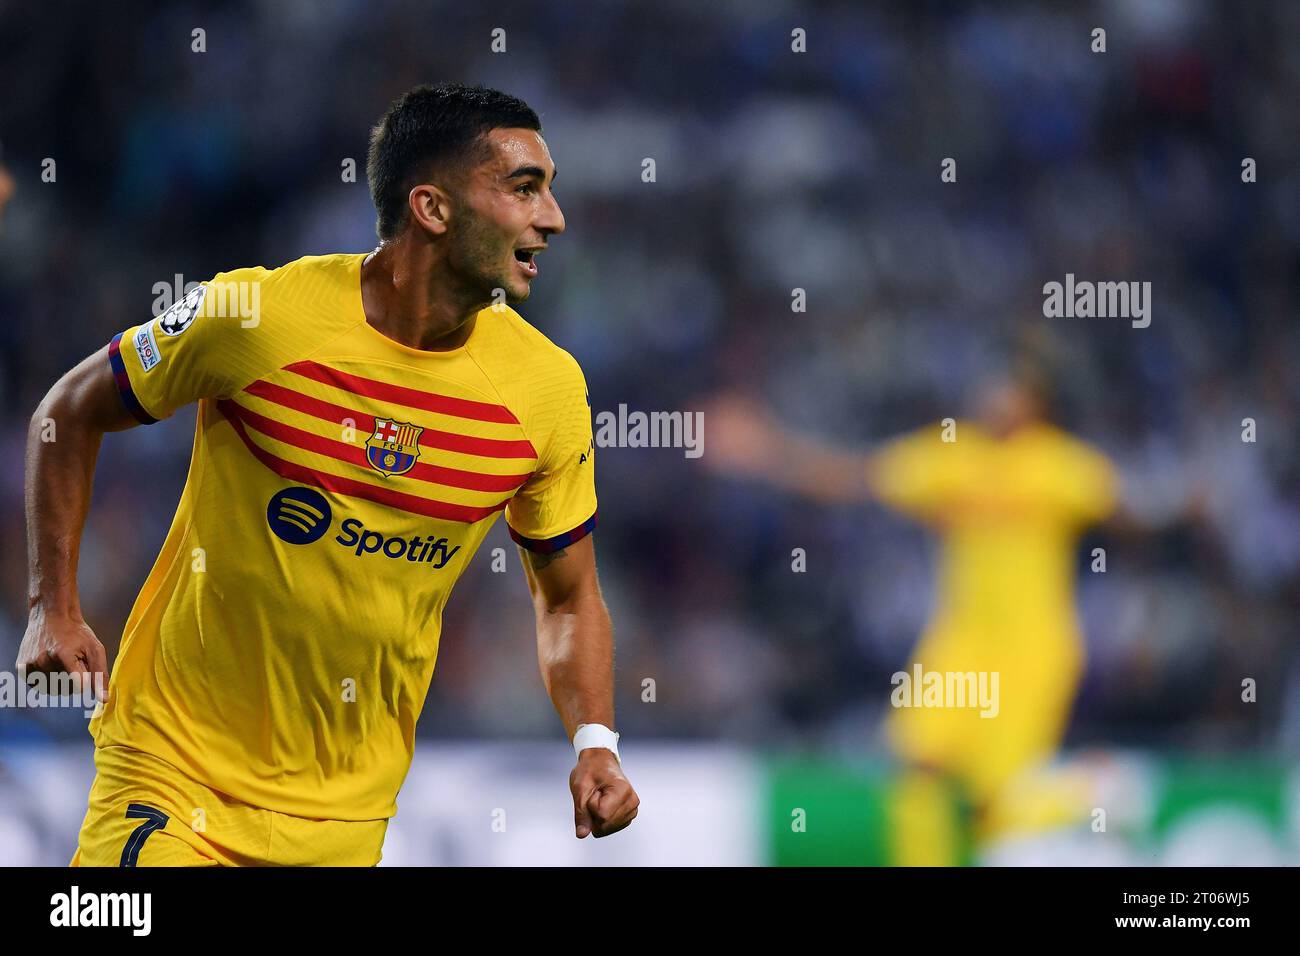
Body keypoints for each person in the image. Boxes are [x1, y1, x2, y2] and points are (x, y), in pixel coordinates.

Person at [18, 83, 638, 866]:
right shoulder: (256, 316)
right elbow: (66, 411)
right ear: (433, 209)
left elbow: (569, 595)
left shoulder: (545, 391)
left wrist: (596, 742)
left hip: (348, 826)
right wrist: (53, 608)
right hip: (172, 783)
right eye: (524, 189)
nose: (553, 218)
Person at [705, 373, 1117, 863]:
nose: (994, 399)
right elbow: (853, 477)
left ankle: (1090, 794)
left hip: (1031, 649)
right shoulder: (953, 457)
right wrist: (768, 449)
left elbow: (1129, 511)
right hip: (961, 643)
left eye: (1010, 388)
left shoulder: (1061, 465)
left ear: (1038, 402)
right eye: (991, 387)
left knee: (995, 808)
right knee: (915, 775)